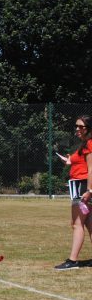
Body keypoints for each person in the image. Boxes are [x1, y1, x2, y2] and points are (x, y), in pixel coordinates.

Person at [55, 115, 92, 270]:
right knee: (89, 223)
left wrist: (89, 190)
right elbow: (78, 162)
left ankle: (73, 260)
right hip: (79, 185)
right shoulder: (83, 144)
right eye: (76, 126)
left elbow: (91, 168)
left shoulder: (89, 143)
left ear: (88, 128)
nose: (77, 129)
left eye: (81, 126)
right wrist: (69, 160)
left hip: (83, 186)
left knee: (77, 224)